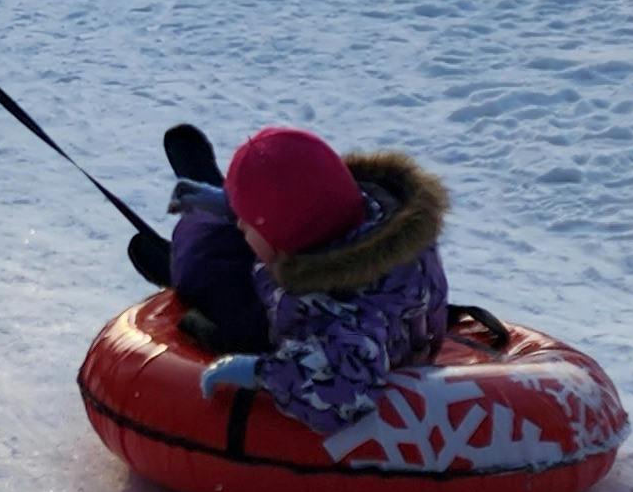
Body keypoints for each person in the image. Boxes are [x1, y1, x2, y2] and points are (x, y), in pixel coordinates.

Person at [193, 125, 451, 432]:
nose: (241, 224)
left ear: (286, 232)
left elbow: (343, 390)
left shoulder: (338, 308)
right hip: (370, 311)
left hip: (334, 346)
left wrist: (260, 372)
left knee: (216, 279)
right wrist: (240, 207)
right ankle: (204, 230)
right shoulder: (377, 223)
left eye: (246, 220)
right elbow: (307, 199)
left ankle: (191, 249)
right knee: (228, 247)